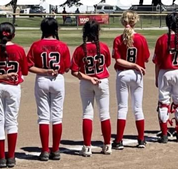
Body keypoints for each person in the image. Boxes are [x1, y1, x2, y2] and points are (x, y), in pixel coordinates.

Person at [0, 22, 29, 168]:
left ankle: (1, 157)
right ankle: (11, 157)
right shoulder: (19, 50)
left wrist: (1, 76)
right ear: (13, 35)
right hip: (13, 88)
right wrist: (10, 75)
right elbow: (25, 71)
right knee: (12, 121)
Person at [27, 18, 70, 161]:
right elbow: (67, 67)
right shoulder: (62, 45)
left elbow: (29, 66)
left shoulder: (36, 45)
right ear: (56, 30)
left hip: (42, 80)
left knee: (43, 117)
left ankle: (45, 150)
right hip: (57, 80)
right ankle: (56, 150)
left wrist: (44, 71)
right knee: (57, 116)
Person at [70, 20, 113, 157]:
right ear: (98, 32)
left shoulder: (80, 49)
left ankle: (87, 147)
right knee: (104, 113)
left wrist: (88, 78)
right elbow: (107, 63)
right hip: (102, 81)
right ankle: (107, 145)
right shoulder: (104, 47)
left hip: (86, 82)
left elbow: (74, 71)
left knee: (87, 113)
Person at [111, 11, 150, 149]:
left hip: (122, 74)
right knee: (137, 108)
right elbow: (145, 58)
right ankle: (141, 139)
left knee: (122, 107)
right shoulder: (141, 39)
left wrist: (131, 63)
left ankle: (119, 141)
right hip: (137, 74)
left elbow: (118, 59)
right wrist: (135, 63)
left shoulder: (118, 39)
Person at [154, 12, 178, 143]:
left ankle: (164, 135)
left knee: (164, 103)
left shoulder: (161, 40)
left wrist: (156, 77)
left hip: (164, 72)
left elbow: (157, 62)